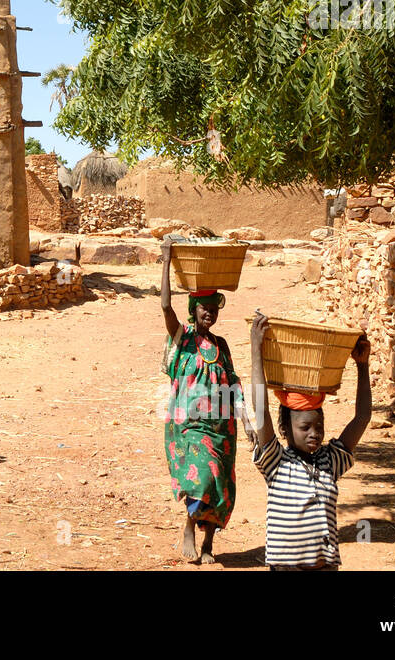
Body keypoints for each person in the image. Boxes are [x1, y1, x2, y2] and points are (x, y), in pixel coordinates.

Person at [248, 310, 372, 570]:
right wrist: (256, 349)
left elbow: (362, 417)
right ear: (285, 428)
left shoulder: (330, 461)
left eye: (319, 426)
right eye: (305, 427)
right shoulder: (277, 463)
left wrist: (362, 366)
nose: (314, 433)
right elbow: (260, 410)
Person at [160, 239, 242, 564]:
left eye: (213, 307)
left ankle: (209, 542)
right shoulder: (184, 338)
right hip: (190, 424)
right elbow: (166, 307)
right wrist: (165, 260)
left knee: (219, 483)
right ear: (193, 310)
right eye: (203, 307)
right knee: (201, 478)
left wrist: (244, 416)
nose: (209, 312)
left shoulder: (221, 345)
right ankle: (188, 528)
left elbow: (232, 381)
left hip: (222, 426)